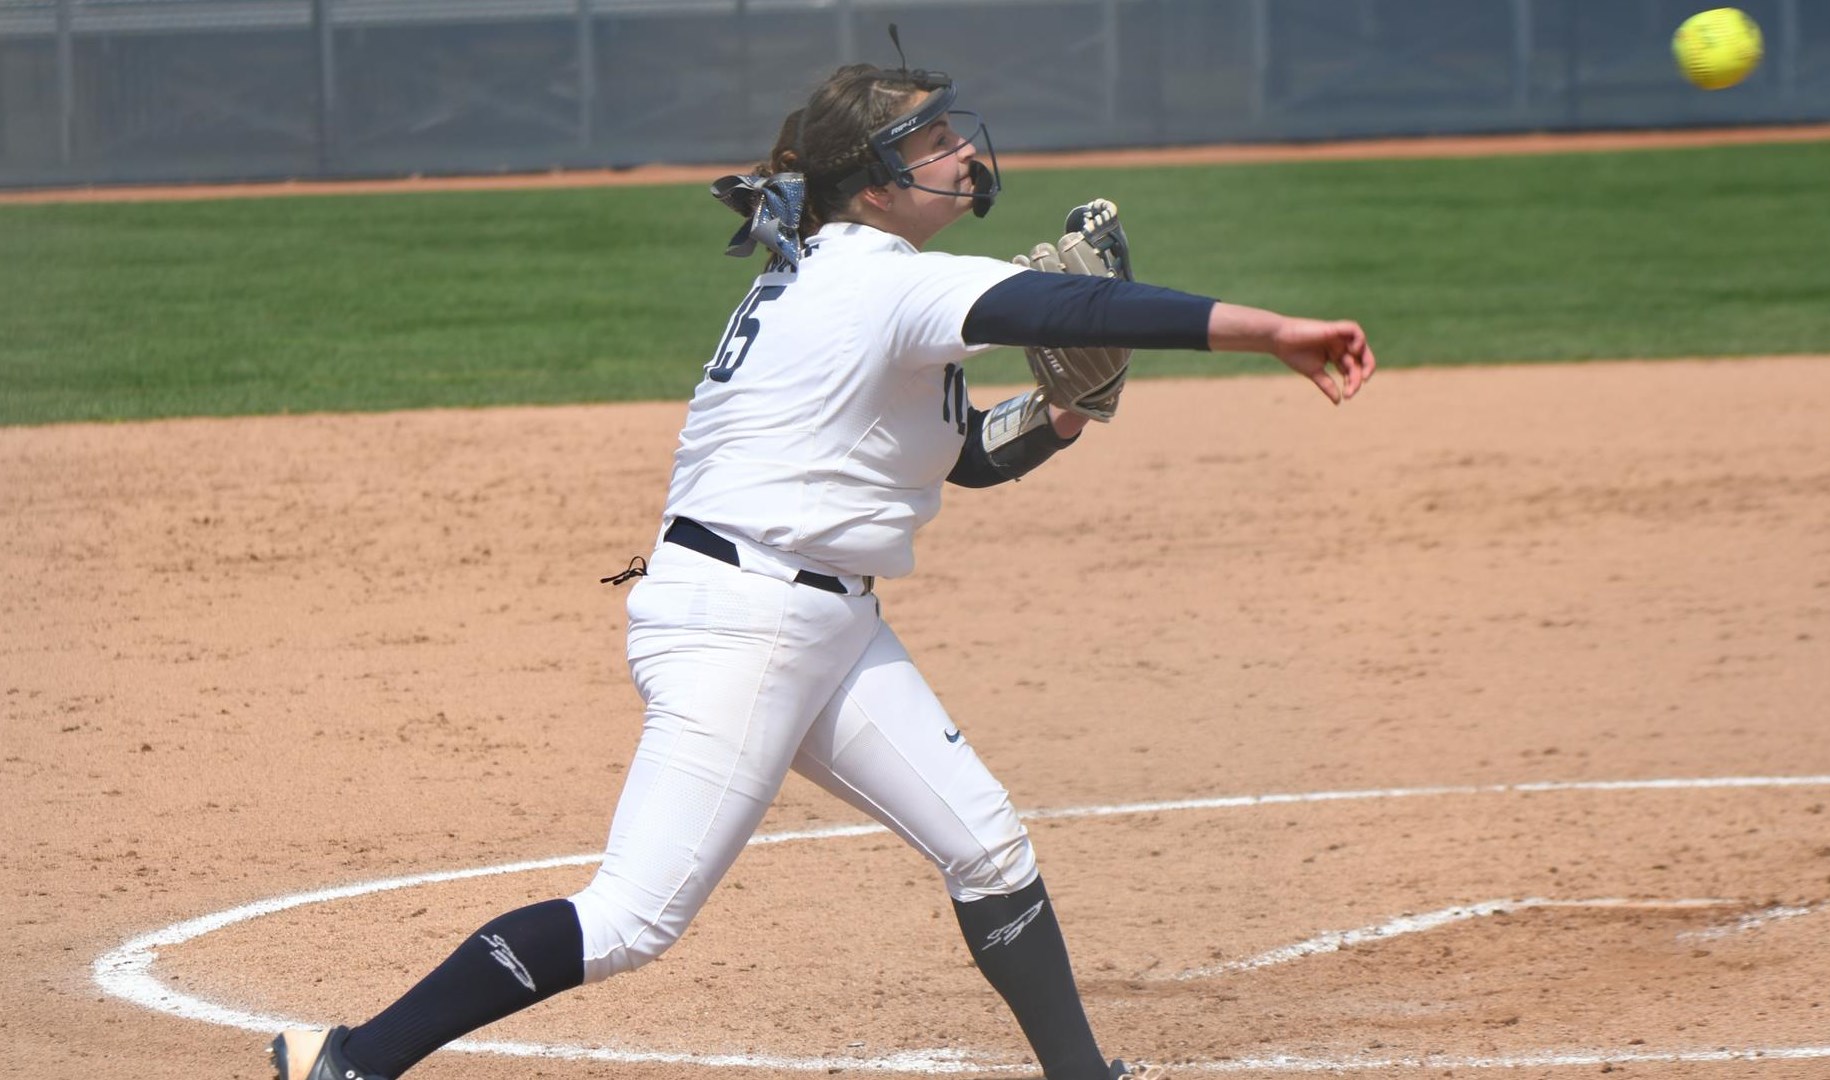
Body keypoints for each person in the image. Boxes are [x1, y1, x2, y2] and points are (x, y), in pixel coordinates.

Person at [270, 52, 1374, 1080]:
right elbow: (1071, 303)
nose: (958, 153)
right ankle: (351, 1064)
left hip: (811, 618)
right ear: (875, 183)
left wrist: (1058, 417)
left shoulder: (860, 286)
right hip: (744, 625)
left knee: (986, 848)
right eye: (929, 139)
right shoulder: (880, 283)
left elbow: (963, 463)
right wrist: (1268, 331)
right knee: (630, 918)